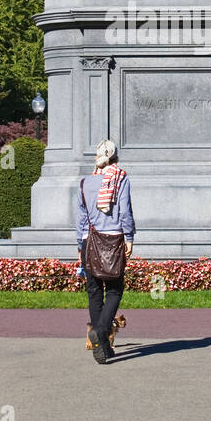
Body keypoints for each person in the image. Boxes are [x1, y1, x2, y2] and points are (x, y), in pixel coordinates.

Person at [77, 139, 134, 364]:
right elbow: (125, 211)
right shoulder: (121, 179)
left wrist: (79, 244)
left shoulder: (85, 183)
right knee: (114, 289)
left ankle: (103, 347)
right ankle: (101, 332)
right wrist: (129, 237)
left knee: (93, 291)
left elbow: (81, 219)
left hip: (88, 241)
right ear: (116, 158)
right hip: (112, 240)